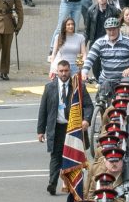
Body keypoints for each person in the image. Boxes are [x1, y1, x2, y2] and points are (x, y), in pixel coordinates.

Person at [37, 59, 94, 195]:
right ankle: (52, 183)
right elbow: (43, 110)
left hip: (72, 128)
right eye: (61, 71)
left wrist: (86, 120)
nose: (63, 73)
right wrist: (40, 131)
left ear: (70, 71)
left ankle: (73, 184)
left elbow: (88, 105)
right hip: (56, 128)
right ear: (57, 72)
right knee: (55, 156)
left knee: (73, 156)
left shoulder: (78, 86)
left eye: (66, 71)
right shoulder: (49, 88)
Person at [80, 15, 129, 91]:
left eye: (114, 29)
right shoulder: (99, 42)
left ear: (119, 29)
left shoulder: (128, 42)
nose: (111, 32)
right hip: (106, 79)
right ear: (106, 30)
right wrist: (84, 72)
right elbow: (90, 58)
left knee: (122, 96)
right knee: (101, 100)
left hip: (124, 78)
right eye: (109, 30)